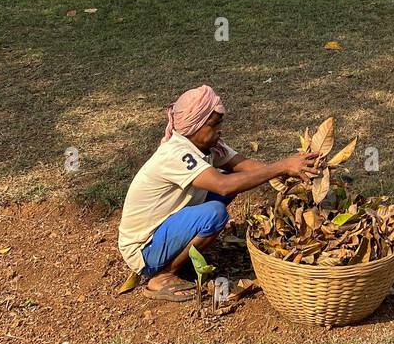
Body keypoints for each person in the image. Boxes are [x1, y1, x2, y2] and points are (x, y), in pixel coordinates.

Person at [117, 85, 319, 302]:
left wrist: (293, 173)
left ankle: (183, 250)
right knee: (215, 211)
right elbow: (223, 185)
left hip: (166, 227)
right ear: (194, 126)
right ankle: (162, 275)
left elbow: (246, 167)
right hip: (145, 248)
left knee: (228, 178)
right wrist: (282, 166)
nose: (220, 129)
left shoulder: (209, 146)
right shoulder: (177, 154)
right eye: (214, 124)